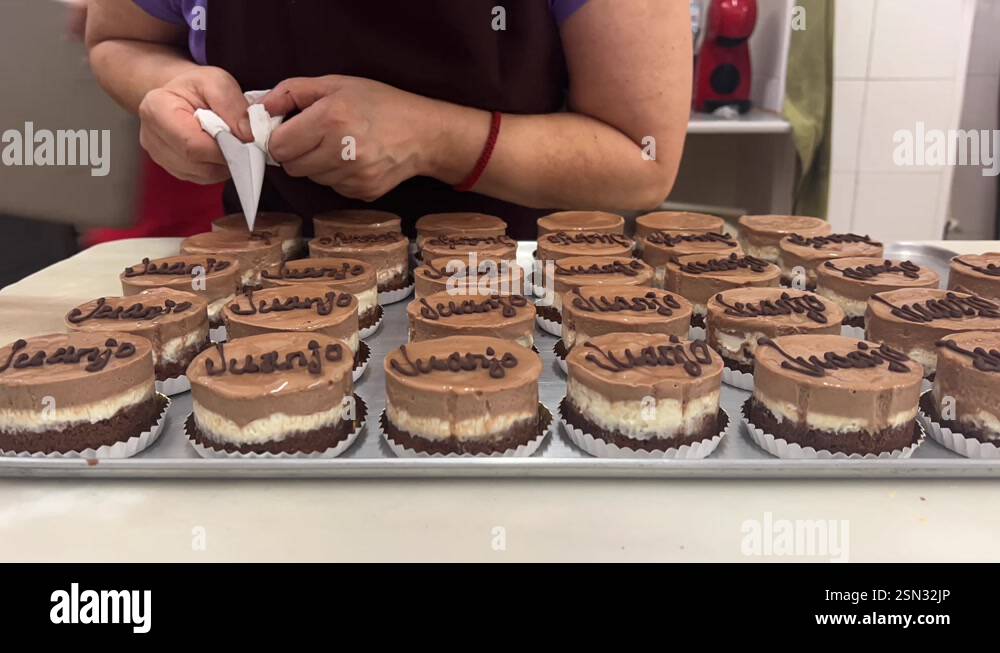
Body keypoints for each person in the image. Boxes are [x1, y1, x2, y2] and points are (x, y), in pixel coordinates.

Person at [85, 0, 691, 238]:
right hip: (264, 288)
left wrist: (435, 141)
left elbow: (642, 161)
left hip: (512, 291)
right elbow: (118, 38)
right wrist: (170, 89)